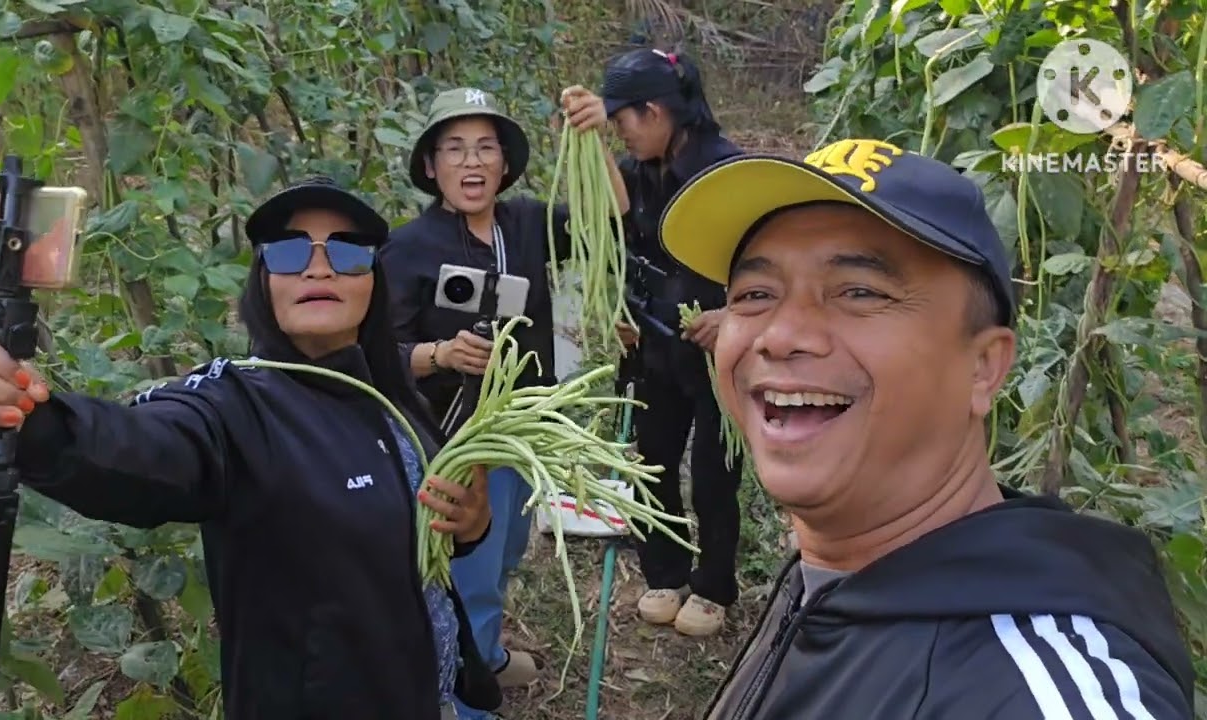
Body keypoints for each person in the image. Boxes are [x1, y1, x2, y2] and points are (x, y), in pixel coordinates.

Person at [0, 176, 505, 720]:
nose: (320, 266)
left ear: (372, 280)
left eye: (349, 251)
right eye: (289, 251)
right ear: (264, 281)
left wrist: (471, 524)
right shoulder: (237, 405)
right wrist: (32, 422)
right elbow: (145, 447)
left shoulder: (391, 394)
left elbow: (424, 537)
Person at [656, 138, 1196, 718]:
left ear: (983, 367)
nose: (781, 335)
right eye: (755, 294)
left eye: (860, 292)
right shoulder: (843, 576)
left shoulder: (1041, 696)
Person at [378, 87, 627, 716]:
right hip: (454, 443)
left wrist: (595, 139)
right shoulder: (407, 248)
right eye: (454, 148)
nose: (472, 161)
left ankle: (481, 653)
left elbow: (612, 216)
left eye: (485, 147)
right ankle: (465, 698)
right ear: (431, 167)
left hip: (524, 430)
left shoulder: (528, 225)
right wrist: (440, 355)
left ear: (505, 164)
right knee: (470, 570)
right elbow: (379, 354)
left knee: (508, 547)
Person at [559, 48, 745, 637]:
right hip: (653, 343)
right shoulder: (644, 169)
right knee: (654, 463)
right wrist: (625, 309)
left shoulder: (724, 173)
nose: (621, 135)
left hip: (716, 354)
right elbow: (623, 221)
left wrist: (733, 315)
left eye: (622, 122)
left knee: (715, 476)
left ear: (657, 110)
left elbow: (769, 263)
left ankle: (714, 586)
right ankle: (666, 572)